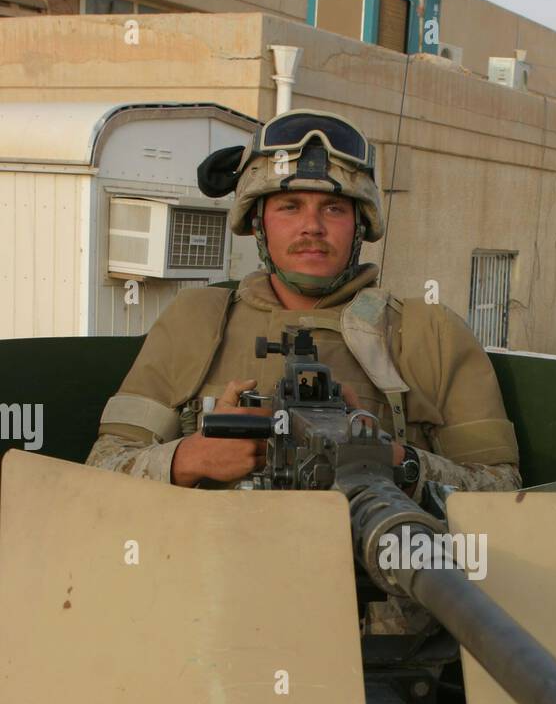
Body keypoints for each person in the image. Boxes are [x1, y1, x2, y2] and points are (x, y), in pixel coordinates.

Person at [85, 109, 521, 500]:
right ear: (258, 222)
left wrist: (397, 462)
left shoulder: (430, 334)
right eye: (290, 207)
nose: (312, 227)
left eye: (333, 209)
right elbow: (102, 467)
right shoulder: (196, 320)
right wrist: (188, 459)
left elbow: (502, 490)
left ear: (359, 224)